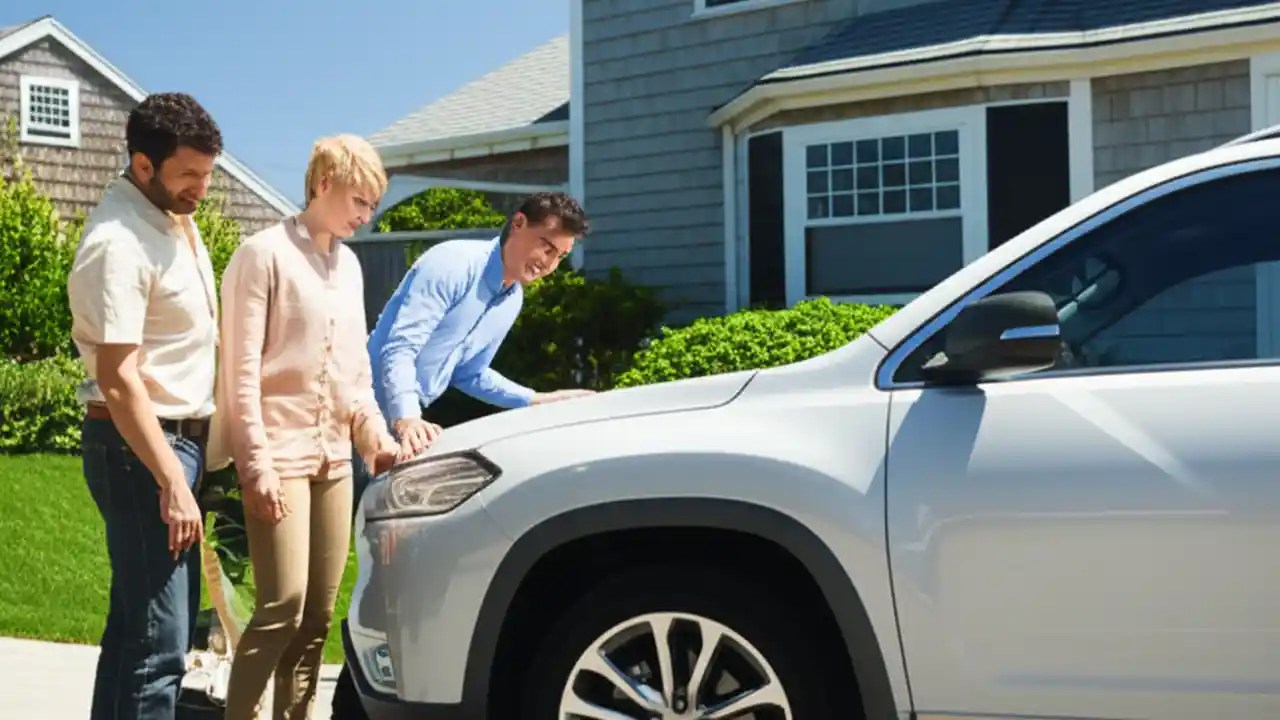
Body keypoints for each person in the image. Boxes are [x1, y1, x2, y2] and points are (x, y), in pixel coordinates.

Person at [218, 134, 401, 719]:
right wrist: (255, 465)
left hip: (334, 460)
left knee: (319, 617)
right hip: (277, 455)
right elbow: (240, 373)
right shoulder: (263, 253)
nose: (365, 214)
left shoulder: (349, 266)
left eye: (372, 204)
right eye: (359, 200)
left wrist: (376, 437)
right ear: (323, 183)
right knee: (282, 606)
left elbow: (355, 374)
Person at [66, 92, 222, 719]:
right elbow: (120, 378)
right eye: (189, 176)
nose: (201, 191)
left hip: (172, 446)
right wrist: (171, 481)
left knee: (136, 631)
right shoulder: (118, 242)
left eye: (208, 175)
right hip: (142, 453)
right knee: (160, 650)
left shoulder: (171, 220)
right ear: (142, 165)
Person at [357, 192, 594, 480]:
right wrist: (407, 418)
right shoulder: (453, 263)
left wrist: (535, 400)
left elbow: (469, 373)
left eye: (560, 256)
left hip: (397, 424)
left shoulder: (512, 298)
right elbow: (400, 348)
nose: (549, 264)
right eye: (546, 246)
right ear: (518, 223)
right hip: (355, 411)